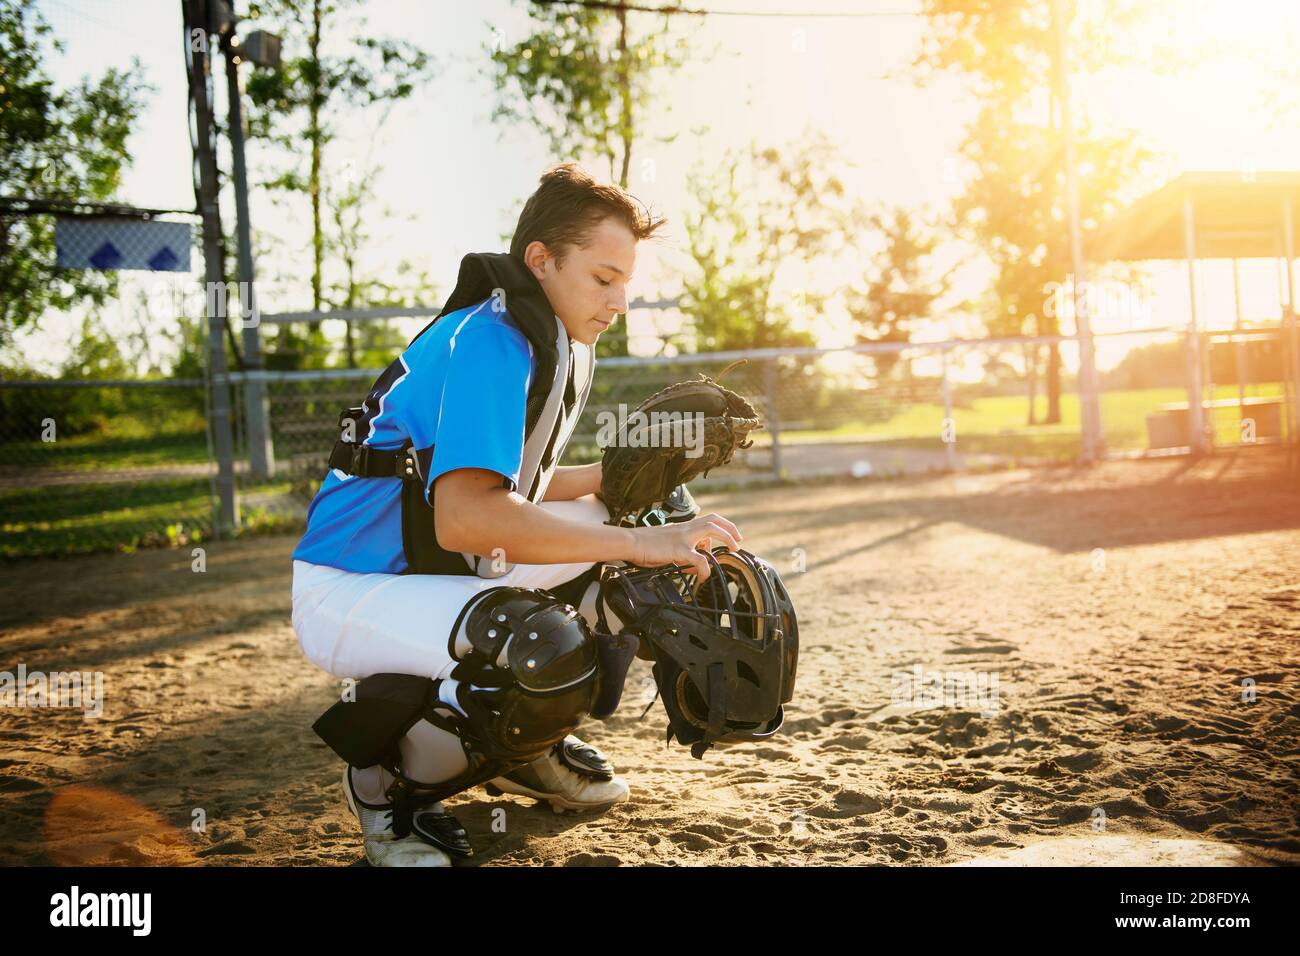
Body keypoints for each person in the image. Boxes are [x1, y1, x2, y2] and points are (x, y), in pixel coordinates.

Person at [290, 163, 744, 866]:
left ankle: (520, 749)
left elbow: (508, 486)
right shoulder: (489, 340)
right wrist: (629, 538)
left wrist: (613, 487)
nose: (619, 300)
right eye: (602, 277)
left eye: (625, 281)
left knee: (637, 545)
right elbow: (467, 519)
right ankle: (386, 784)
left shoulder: (543, 336)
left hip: (432, 568)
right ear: (541, 260)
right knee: (544, 637)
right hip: (354, 587)